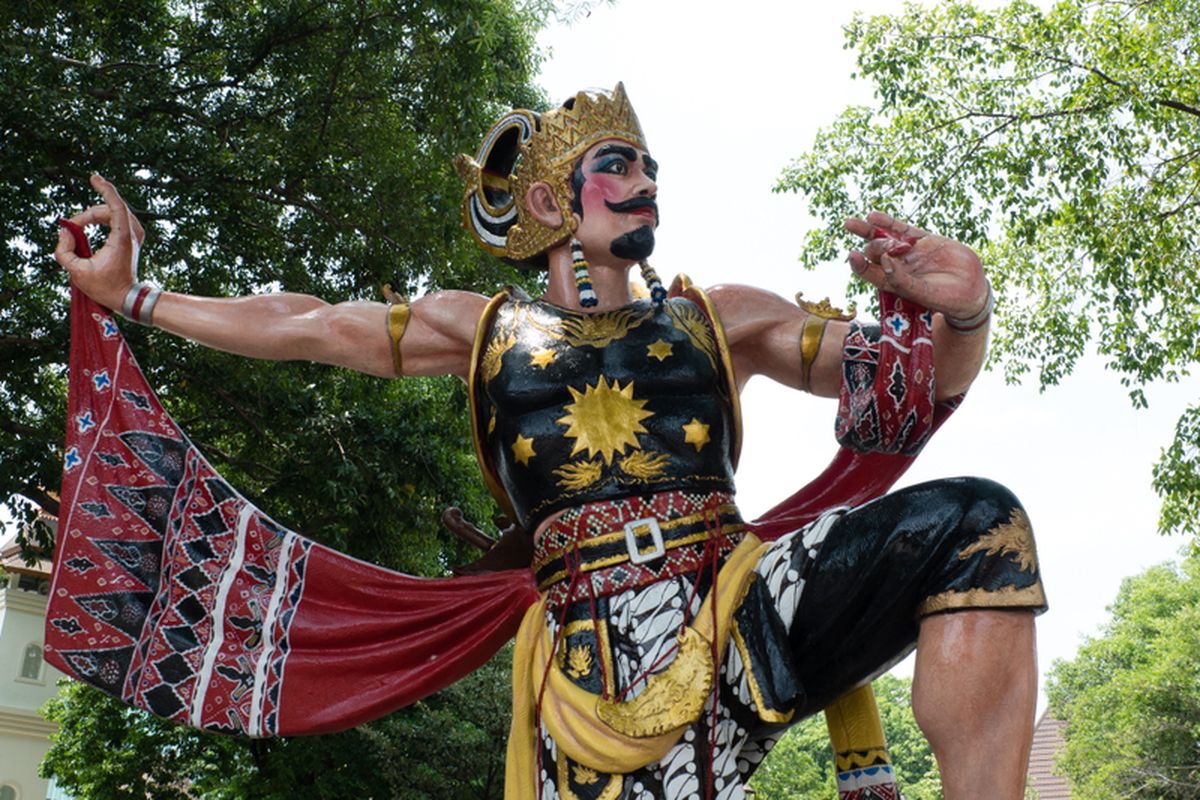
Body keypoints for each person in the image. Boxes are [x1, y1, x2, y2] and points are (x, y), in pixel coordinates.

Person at [53, 84, 1044, 800]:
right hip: (590, 662)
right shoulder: (477, 332)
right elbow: (310, 322)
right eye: (616, 165)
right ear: (545, 205)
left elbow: (903, 395)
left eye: (648, 164)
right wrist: (138, 296)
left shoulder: (723, 317)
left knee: (978, 523)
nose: (644, 180)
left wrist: (963, 316)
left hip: (739, 608)